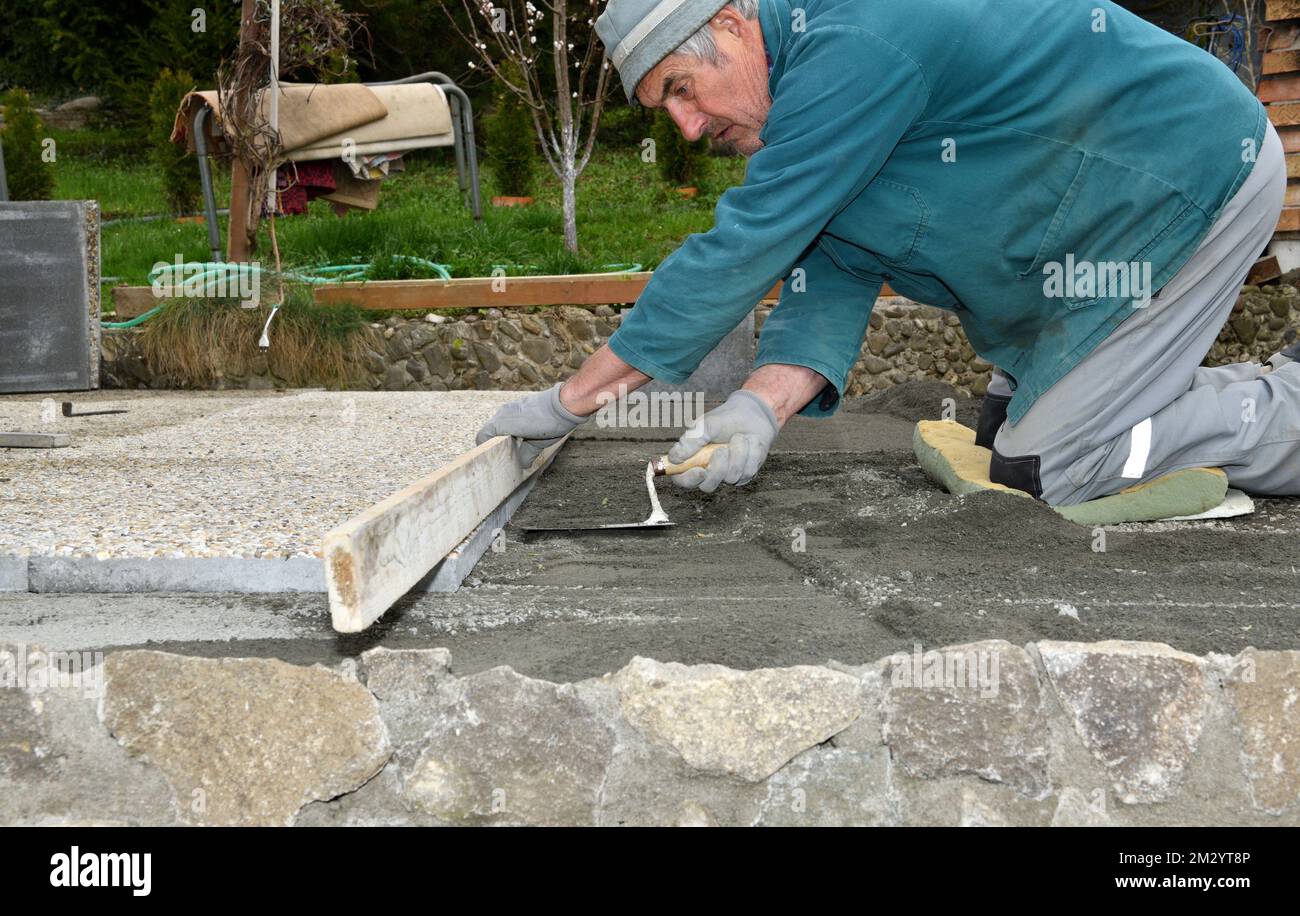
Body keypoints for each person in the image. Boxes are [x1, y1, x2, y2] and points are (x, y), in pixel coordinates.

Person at [477, 0, 1295, 505]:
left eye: (682, 89)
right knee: (1002, 429)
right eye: (667, 110)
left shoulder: (858, 36)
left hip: (1188, 176)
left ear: (732, 23)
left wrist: (573, 400)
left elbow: (750, 239)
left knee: (1053, 465)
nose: (687, 127)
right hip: (1100, 229)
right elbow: (830, 258)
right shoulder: (807, 93)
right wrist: (762, 406)